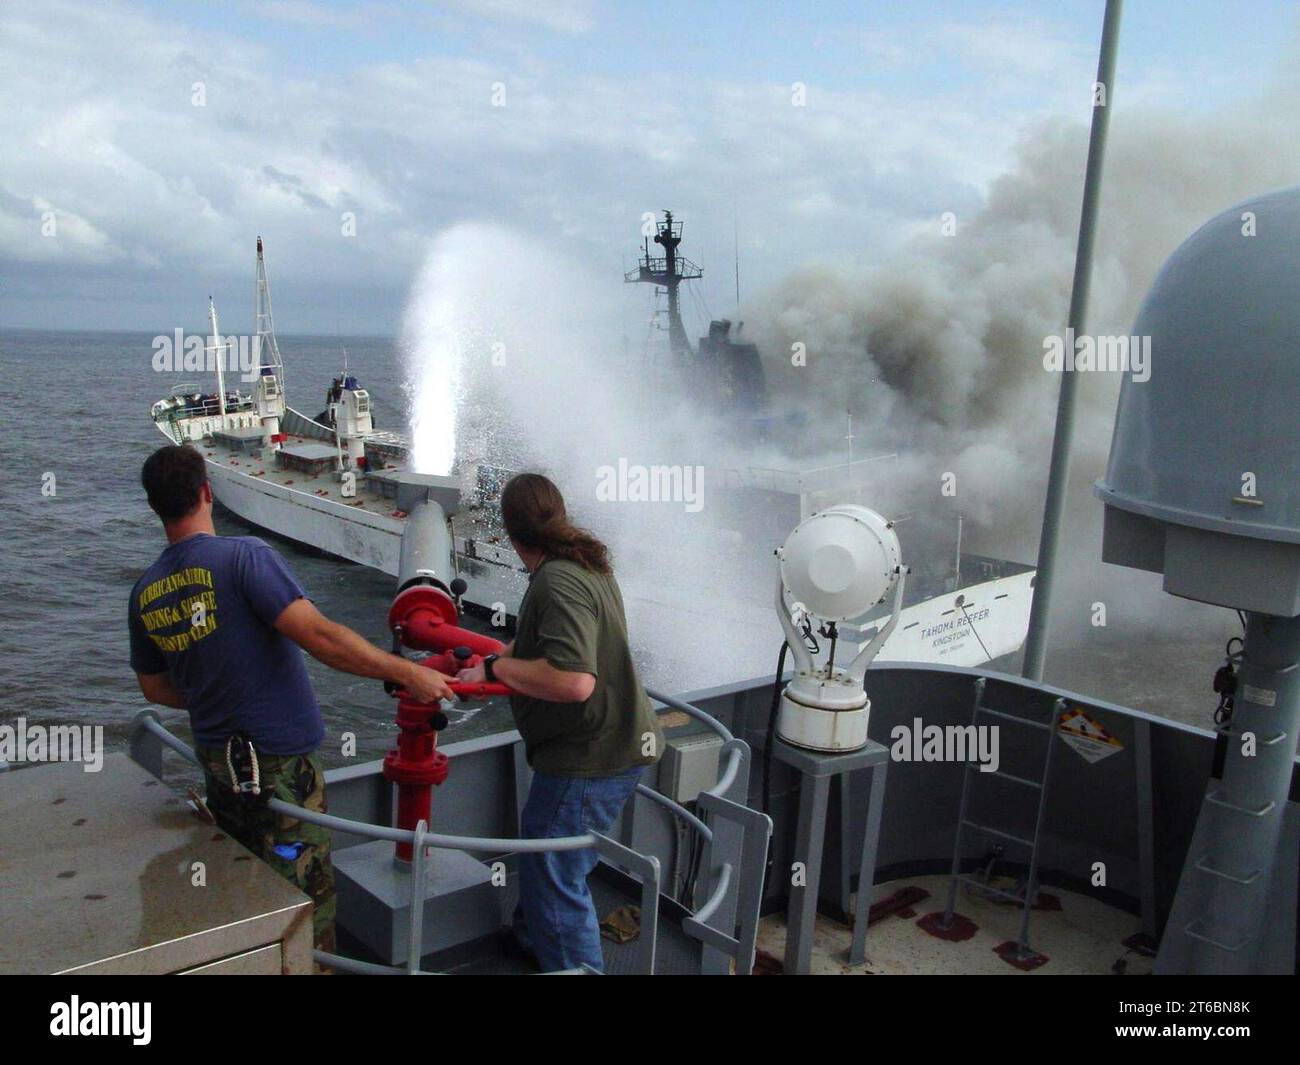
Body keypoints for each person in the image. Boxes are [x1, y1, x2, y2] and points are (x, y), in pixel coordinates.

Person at [127, 444, 454, 957]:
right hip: (281, 768)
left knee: (243, 887)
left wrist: (215, 695)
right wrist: (405, 671)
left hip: (220, 767)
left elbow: (154, 686)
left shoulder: (144, 593)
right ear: (207, 493)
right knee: (305, 899)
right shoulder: (244, 558)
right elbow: (319, 637)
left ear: (156, 506)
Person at [456, 472, 663, 972]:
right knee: (548, 852)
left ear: (507, 530)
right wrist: (502, 655)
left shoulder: (556, 579)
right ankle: (531, 937)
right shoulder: (585, 561)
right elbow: (555, 644)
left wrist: (497, 668)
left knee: (554, 870)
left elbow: (574, 681)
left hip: (588, 756)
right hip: (614, 742)